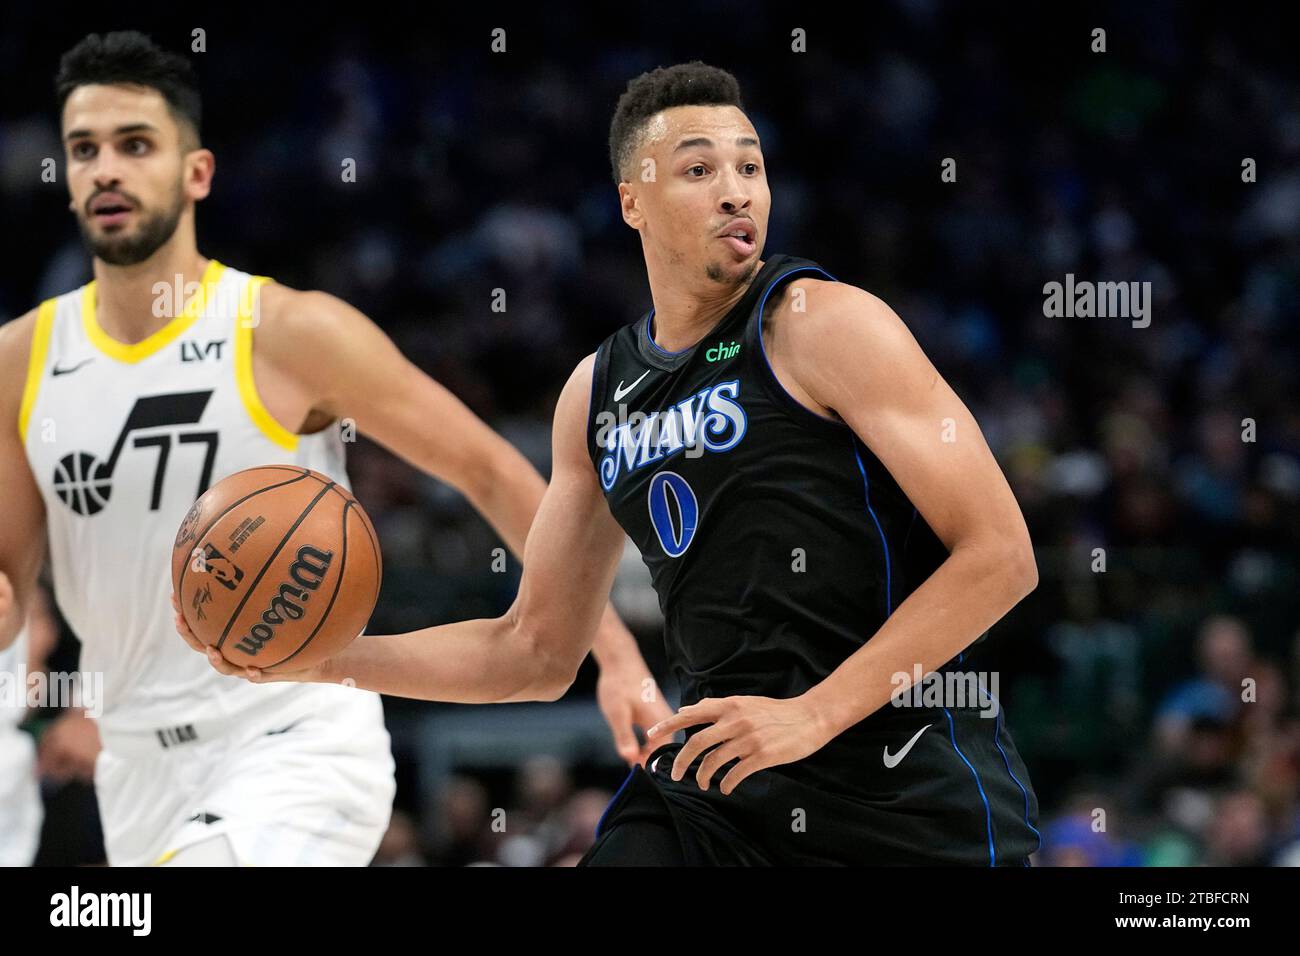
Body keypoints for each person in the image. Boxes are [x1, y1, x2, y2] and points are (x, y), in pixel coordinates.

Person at [182, 61, 1042, 865]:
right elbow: (532, 650)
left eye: (751, 166)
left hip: (907, 785)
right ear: (633, 201)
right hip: (716, 782)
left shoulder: (823, 323)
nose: (737, 190)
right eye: (700, 170)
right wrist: (322, 658)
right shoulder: (597, 395)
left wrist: (813, 714)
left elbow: (1001, 556)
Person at [0, 30, 664, 867]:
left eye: (136, 145)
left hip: (293, 741)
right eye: (84, 149)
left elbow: (488, 469)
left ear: (196, 172)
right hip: (135, 773)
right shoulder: (21, 361)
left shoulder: (288, 332)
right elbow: (13, 590)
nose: (107, 170)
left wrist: (615, 653)